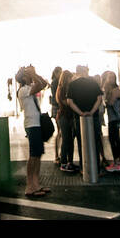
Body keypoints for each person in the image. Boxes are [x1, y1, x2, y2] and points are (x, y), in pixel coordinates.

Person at [15, 65, 50, 197]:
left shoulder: (28, 89)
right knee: (33, 155)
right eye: (28, 75)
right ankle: (29, 186)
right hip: (32, 125)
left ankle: (36, 183)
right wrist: (33, 74)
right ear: (24, 78)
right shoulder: (23, 90)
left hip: (37, 124)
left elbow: (45, 83)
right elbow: (40, 85)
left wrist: (34, 73)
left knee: (38, 154)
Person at [65, 64, 106, 170]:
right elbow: (99, 99)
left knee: (81, 142)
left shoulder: (72, 85)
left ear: (77, 72)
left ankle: (84, 167)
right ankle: (96, 166)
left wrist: (81, 113)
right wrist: (91, 112)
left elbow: (70, 102)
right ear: (85, 71)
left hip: (79, 118)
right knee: (95, 140)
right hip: (94, 117)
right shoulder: (93, 83)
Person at [56, 68, 79, 172]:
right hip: (64, 117)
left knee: (70, 140)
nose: (72, 80)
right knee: (66, 140)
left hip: (67, 116)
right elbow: (67, 103)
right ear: (67, 78)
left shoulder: (66, 89)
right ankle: (64, 162)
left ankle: (70, 162)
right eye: (70, 78)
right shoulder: (62, 89)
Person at [103, 70, 120, 172]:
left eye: (111, 77)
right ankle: (118, 160)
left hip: (115, 119)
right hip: (112, 118)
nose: (109, 79)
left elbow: (110, 102)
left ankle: (119, 161)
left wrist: (106, 96)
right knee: (114, 139)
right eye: (108, 77)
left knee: (114, 140)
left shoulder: (115, 90)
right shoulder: (111, 90)